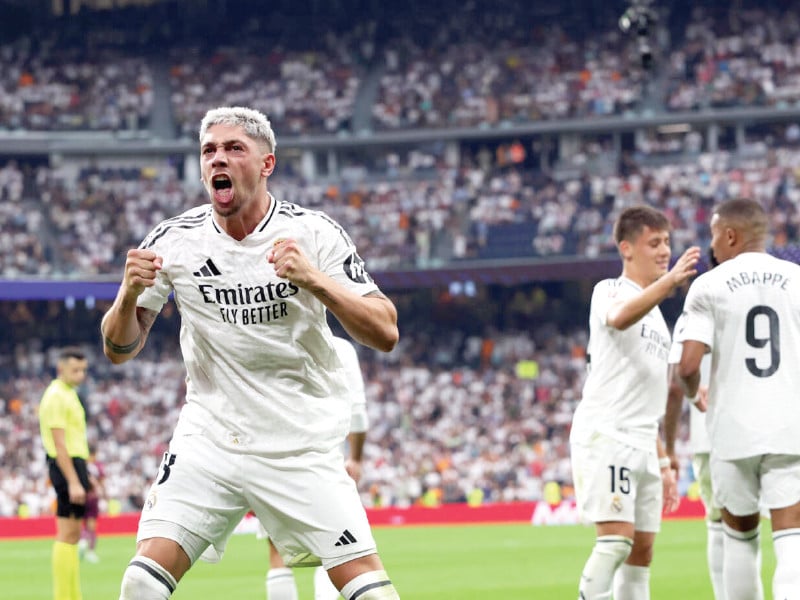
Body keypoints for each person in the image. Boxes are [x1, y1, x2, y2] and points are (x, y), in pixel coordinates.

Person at [101, 105, 401, 600]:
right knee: (140, 582)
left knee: (371, 593)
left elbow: (385, 331)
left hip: (297, 442)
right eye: (209, 151)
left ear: (266, 164)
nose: (218, 159)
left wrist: (315, 281)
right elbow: (119, 349)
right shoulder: (175, 241)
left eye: (234, 148)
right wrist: (127, 295)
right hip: (210, 439)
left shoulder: (314, 234)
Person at [570, 205, 700, 600]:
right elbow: (620, 317)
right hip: (608, 434)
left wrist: (663, 462)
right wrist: (672, 282)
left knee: (642, 552)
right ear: (627, 248)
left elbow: (650, 398)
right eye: (655, 243)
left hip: (643, 441)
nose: (665, 251)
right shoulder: (610, 289)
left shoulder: (659, 320)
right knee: (616, 543)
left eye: (667, 243)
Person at [677, 198, 800, 600]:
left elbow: (688, 365)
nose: (712, 246)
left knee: (740, 539)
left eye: (714, 235)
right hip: (788, 425)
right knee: (790, 536)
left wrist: (696, 394)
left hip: (732, 431)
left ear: (730, 235)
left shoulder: (708, 285)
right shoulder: (796, 278)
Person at [263, 335, 369, 600]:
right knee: (333, 547)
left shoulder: (269, 339)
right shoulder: (342, 349)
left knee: (278, 551)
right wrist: (355, 458)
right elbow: (357, 412)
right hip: (324, 459)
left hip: (272, 459)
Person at [665, 317, 725, 599]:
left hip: (710, 434)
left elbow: (678, 383)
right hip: (771, 430)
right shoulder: (781, 289)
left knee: (719, 523)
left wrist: (669, 448)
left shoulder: (696, 308)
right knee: (787, 524)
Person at [38, 346, 91, 600]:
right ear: (61, 369)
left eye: (83, 370)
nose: (80, 375)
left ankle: (73, 595)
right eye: (75, 370)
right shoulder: (56, 395)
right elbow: (59, 443)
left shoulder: (69, 394)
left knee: (73, 534)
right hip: (65, 464)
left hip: (75, 463)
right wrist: (73, 481)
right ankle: (63, 596)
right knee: (67, 533)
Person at [78, 445, 106, 564]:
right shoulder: (97, 466)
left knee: (80, 524)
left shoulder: (81, 464)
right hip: (93, 498)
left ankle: (82, 541)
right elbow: (101, 482)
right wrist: (103, 493)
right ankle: (90, 551)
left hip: (81, 497)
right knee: (92, 526)